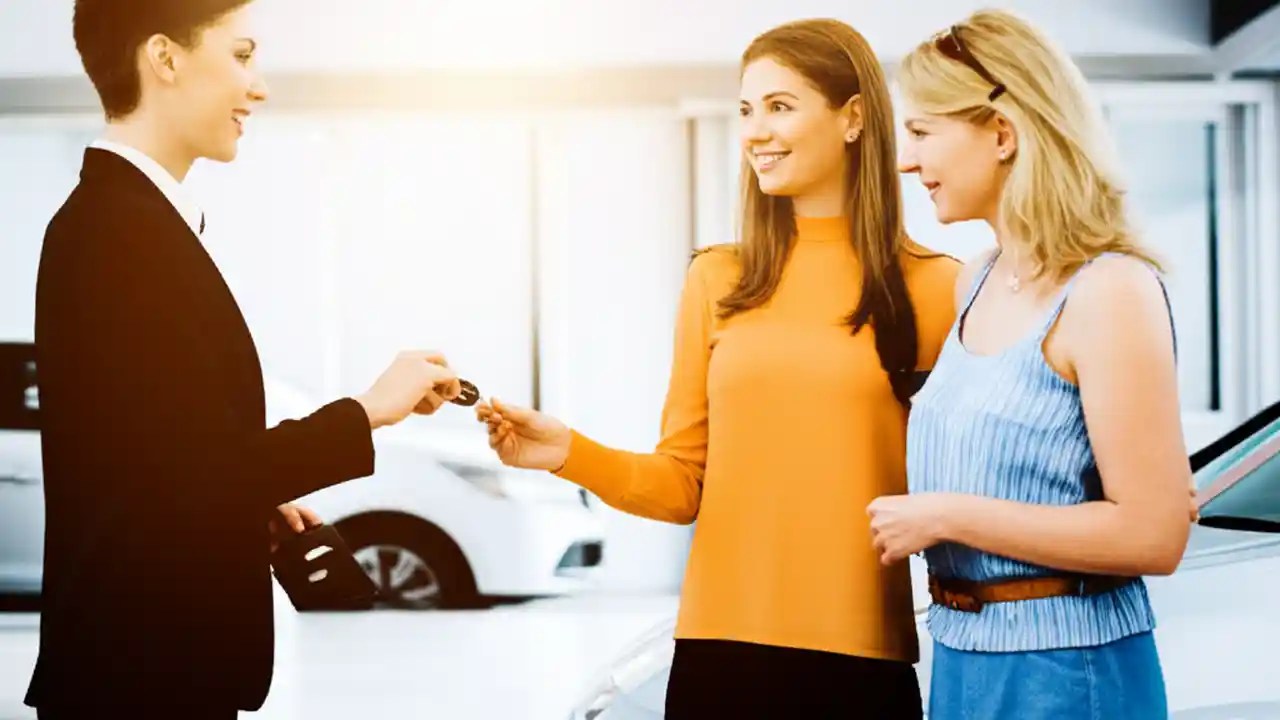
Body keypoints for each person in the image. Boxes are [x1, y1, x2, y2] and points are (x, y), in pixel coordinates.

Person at [477, 18, 959, 719]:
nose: (756, 130)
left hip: (862, 663)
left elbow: (952, 488)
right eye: (745, 109)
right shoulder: (719, 279)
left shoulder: (936, 288)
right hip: (718, 658)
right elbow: (681, 486)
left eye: (780, 105)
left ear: (853, 117)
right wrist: (567, 453)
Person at [26, 2, 462, 717]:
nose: (258, 87)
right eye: (241, 55)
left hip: (146, 670)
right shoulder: (116, 234)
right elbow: (185, 477)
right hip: (141, 680)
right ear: (164, 59)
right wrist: (369, 411)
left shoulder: (132, 223)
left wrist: (242, 504)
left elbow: (158, 471)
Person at [869, 9, 1192, 719]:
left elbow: (1154, 533)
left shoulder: (1109, 291)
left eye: (922, 132)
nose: (906, 160)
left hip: (1069, 672)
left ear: (1003, 134)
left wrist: (948, 515)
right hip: (959, 657)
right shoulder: (977, 279)